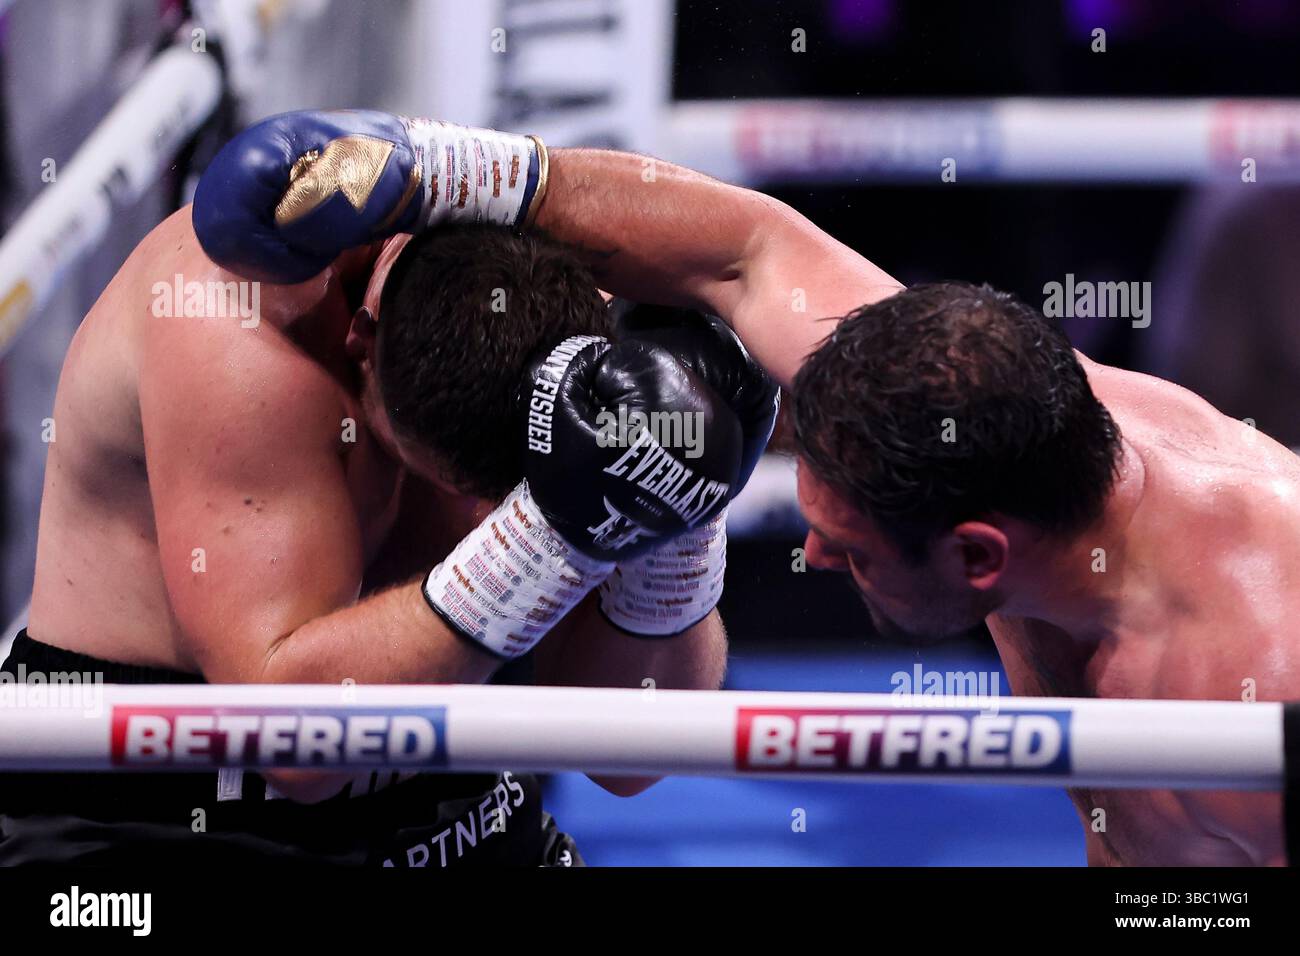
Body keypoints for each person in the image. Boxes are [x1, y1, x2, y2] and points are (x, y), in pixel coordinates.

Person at [461, 115, 1290, 865]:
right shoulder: (977, 404)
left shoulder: (1259, 687)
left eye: (853, 545)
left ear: (977, 553)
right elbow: (747, 250)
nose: (814, 554)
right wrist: (438, 170)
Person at [0, 111, 777, 866]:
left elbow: (628, 755)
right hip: (152, 813)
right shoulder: (233, 326)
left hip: (449, 793)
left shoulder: (577, 316)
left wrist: (681, 523)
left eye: (502, 496)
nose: (477, 513)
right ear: (360, 343)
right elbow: (296, 750)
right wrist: (548, 532)